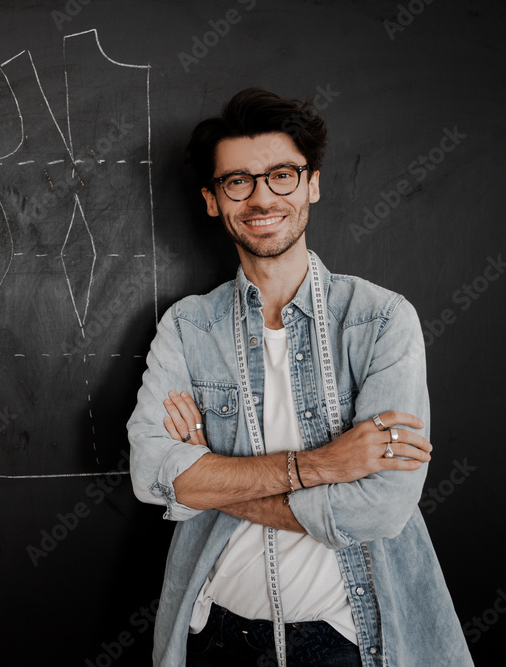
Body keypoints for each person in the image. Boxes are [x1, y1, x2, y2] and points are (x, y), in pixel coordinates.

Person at [127, 89, 471, 666]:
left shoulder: (382, 319)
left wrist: (209, 479)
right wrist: (326, 466)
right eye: (237, 182)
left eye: (281, 175)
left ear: (312, 184)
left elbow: (381, 508)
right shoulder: (187, 327)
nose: (262, 197)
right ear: (213, 200)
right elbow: (150, 474)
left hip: (346, 640)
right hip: (215, 639)